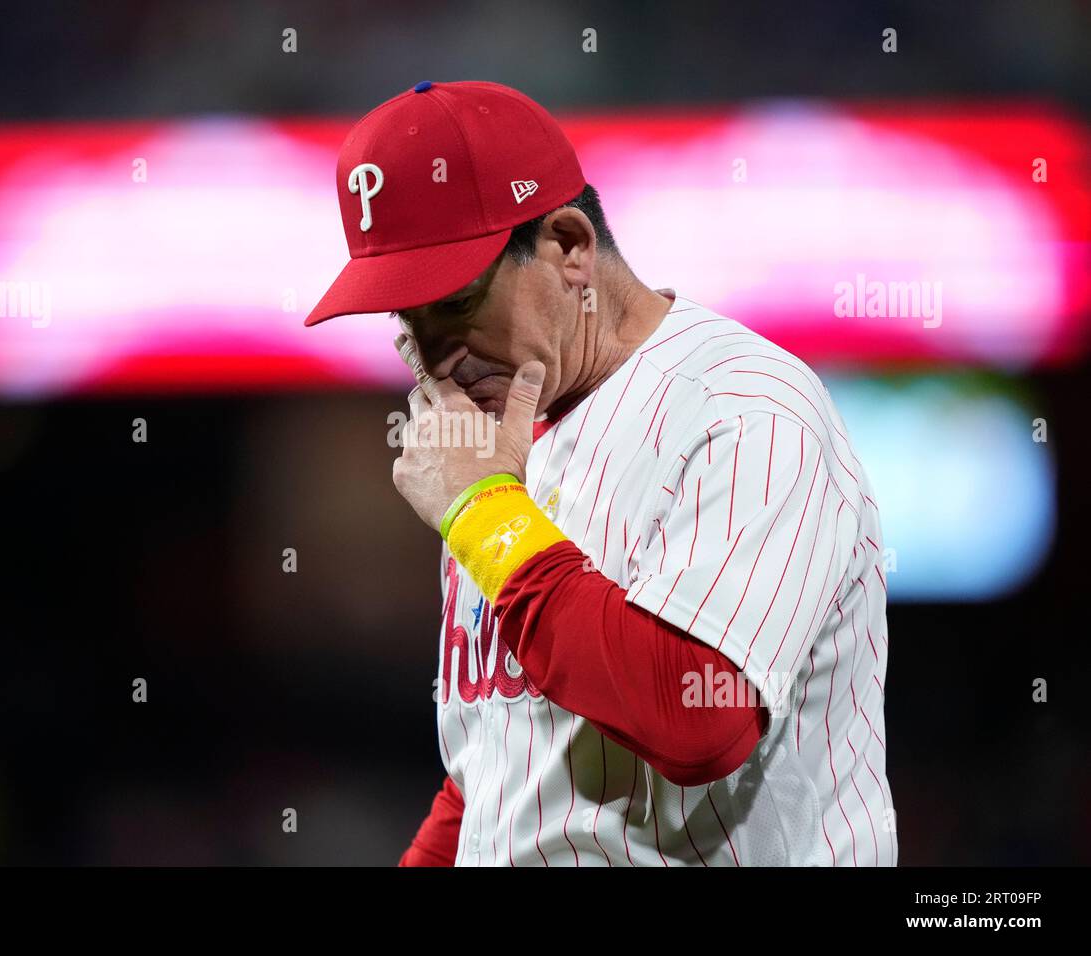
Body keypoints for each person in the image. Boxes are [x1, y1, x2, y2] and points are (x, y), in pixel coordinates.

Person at [306, 80, 894, 866]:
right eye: (404, 320)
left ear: (571, 246)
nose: (431, 355)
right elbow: (498, 768)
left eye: (453, 301)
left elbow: (696, 717)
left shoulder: (743, 409)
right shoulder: (498, 436)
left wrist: (485, 514)